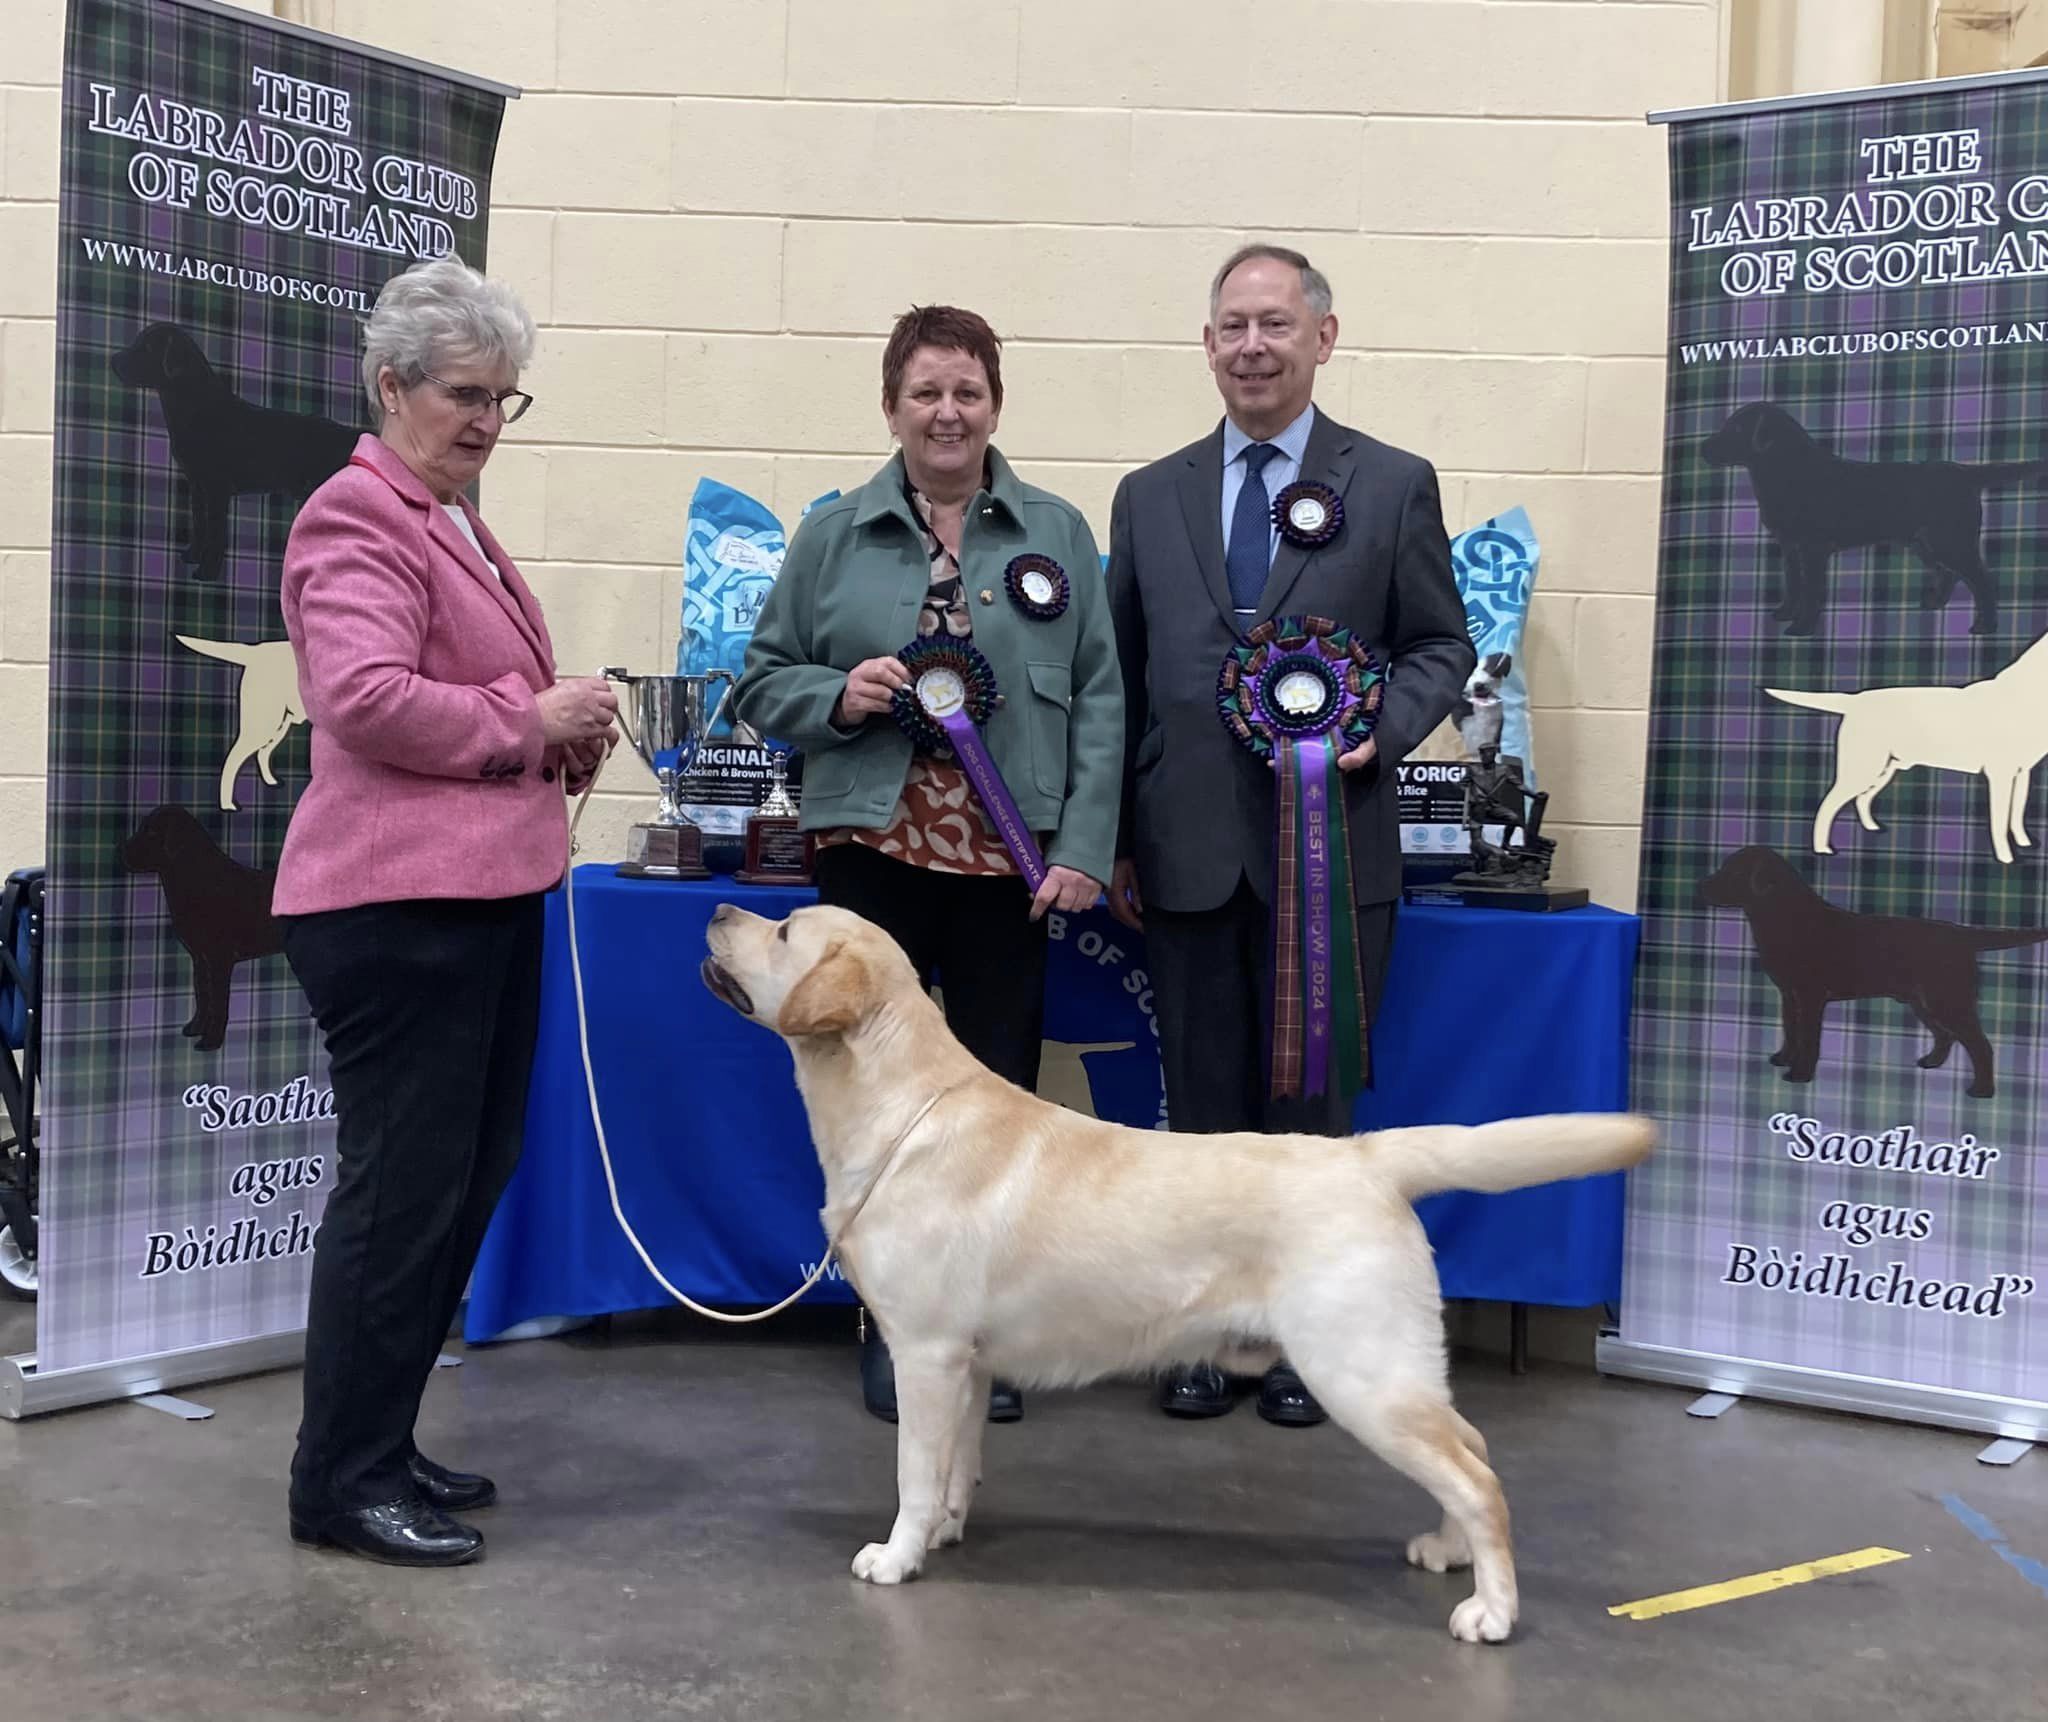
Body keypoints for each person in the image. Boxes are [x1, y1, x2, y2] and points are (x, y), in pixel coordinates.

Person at [273, 255, 619, 1567]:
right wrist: (524, 719)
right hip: (395, 908)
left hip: (475, 897)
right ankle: (340, 1482)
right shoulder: (356, 514)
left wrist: (552, 742)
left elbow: (460, 705)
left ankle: (379, 1437)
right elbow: (361, 696)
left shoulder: (448, 515)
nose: (485, 420)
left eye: (502, 399)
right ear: (391, 386)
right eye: (464, 395)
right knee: (401, 1198)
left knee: (462, 1183)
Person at [1106, 245, 1474, 1427]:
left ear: (1322, 336)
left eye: (1273, 323)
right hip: (1184, 857)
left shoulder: (1393, 483)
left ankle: (1304, 1348)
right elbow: (1118, 683)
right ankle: (1204, 1339)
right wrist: (1113, 838)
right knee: (1198, 1125)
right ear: (1206, 344)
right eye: (1231, 326)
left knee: (1311, 1134)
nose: (1251, 346)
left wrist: (1378, 727)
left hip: (1333, 854)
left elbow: (1440, 646)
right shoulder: (1146, 496)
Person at [736, 304, 1123, 1425]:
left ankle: (983, 1339)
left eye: (967, 391)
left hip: (1009, 871)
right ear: (890, 406)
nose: (947, 412)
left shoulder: (1056, 530)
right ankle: (886, 1328)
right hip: (872, 867)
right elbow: (758, 679)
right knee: (869, 1112)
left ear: (995, 404)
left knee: (995, 1114)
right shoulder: (831, 535)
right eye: (925, 392)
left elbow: (1102, 699)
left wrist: (1085, 847)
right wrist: (837, 694)